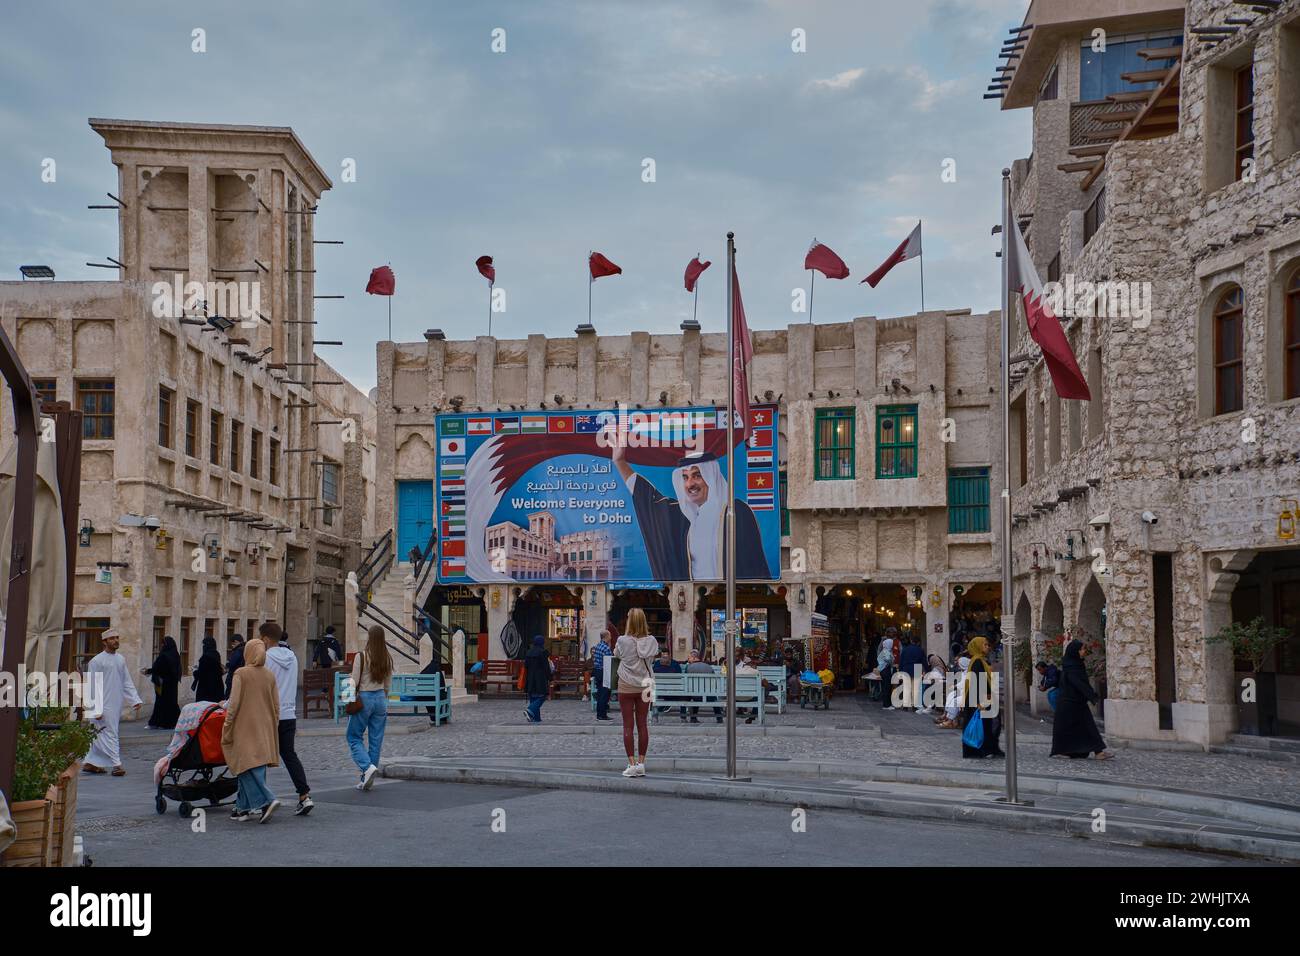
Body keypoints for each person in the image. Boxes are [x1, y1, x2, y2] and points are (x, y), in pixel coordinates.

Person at [611, 443, 772, 581]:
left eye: (696, 475)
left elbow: (754, 565)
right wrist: (619, 462)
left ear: (711, 477)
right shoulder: (685, 519)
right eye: (685, 477)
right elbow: (647, 498)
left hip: (733, 602)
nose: (690, 484)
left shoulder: (736, 513)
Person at [220, 637, 281, 822]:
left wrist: (227, 725)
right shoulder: (269, 675)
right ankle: (242, 808)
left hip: (244, 727)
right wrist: (273, 723)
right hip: (265, 726)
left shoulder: (241, 674)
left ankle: (266, 801)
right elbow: (276, 705)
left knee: (244, 766)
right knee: (257, 765)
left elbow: (234, 704)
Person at [262, 622, 313, 816]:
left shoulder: (266, 658)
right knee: (290, 755)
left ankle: (262, 799)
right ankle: (304, 795)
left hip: (270, 713)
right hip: (289, 713)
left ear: (266, 639)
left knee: (259, 758)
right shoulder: (292, 657)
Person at [83, 629, 143, 776]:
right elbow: (92, 685)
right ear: (104, 642)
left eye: (117, 637)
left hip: (115, 703)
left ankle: (90, 763)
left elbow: (126, 681)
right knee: (110, 733)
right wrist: (95, 709)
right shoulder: (96, 661)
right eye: (112, 638)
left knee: (98, 734)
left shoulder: (120, 659)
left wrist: (134, 699)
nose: (115, 640)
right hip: (100, 704)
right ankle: (117, 765)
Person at [347, 625, 393, 790]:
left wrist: (348, 701)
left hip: (365, 697)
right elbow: (388, 684)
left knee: (353, 736)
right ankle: (367, 777)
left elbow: (353, 681)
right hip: (380, 697)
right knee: (376, 740)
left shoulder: (361, 656)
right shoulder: (387, 657)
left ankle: (367, 767)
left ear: (369, 637)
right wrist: (383, 698)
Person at [614, 608, 659, 777]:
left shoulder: (622, 640)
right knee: (643, 725)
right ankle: (642, 763)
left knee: (627, 725)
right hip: (646, 684)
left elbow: (616, 654)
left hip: (626, 684)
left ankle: (631, 764)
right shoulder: (652, 640)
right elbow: (651, 658)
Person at [1050, 640, 1113, 759]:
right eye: (1082, 649)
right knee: (1086, 727)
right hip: (1071, 703)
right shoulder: (1073, 667)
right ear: (1076, 651)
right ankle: (1098, 752)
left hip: (1074, 702)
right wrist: (1091, 695)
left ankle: (1082, 751)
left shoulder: (1073, 664)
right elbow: (1079, 683)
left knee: (1084, 727)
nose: (1084, 652)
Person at [960, 636, 1004, 759]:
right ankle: (979, 750)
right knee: (981, 725)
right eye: (985, 645)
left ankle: (991, 748)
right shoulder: (977, 661)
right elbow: (977, 681)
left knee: (991, 724)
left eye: (987, 645)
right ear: (978, 646)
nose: (988, 647)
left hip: (985, 697)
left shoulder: (982, 660)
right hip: (979, 699)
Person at [143, 636, 181, 730]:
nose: (162, 645)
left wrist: (147, 671)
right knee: (172, 703)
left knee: (161, 703)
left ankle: (158, 723)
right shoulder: (175, 654)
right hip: (172, 684)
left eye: (163, 644)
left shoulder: (164, 656)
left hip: (163, 684)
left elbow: (158, 668)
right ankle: (174, 722)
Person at [684, 649, 722, 724]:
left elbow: (685, 682)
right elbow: (713, 681)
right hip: (708, 695)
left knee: (692, 695)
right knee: (714, 698)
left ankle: (692, 718)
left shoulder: (688, 668)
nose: (688, 660)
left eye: (689, 658)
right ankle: (719, 718)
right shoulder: (709, 667)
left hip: (694, 695)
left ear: (694, 658)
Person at [522, 635, 551, 723]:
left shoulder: (528, 652)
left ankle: (536, 718)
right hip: (540, 678)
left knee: (533, 697)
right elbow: (546, 667)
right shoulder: (542, 652)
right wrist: (550, 677)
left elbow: (526, 666)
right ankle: (530, 710)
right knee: (542, 696)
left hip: (530, 678)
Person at [937, 656, 970, 729]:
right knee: (950, 695)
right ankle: (947, 716)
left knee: (955, 701)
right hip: (963, 692)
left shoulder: (969, 672)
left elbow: (964, 684)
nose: (958, 665)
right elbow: (962, 683)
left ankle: (950, 720)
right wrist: (955, 686)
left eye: (959, 664)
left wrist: (955, 686)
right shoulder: (963, 672)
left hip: (968, 694)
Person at [652, 649, 684, 723]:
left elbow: (652, 675)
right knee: (683, 697)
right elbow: (680, 675)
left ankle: (656, 714)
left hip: (659, 691)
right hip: (675, 690)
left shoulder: (657, 663)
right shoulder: (675, 663)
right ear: (669, 655)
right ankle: (683, 717)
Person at [898, 636, 927, 713]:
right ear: (918, 642)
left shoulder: (905, 649)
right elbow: (924, 661)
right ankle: (914, 705)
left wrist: (900, 671)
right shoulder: (920, 650)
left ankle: (905, 705)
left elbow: (901, 661)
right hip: (917, 668)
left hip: (906, 669)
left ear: (911, 641)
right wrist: (927, 671)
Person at [192, 636, 225, 703]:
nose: (203, 646)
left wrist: (194, 671)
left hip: (206, 688)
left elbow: (201, 673)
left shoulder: (205, 657)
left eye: (204, 644)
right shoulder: (216, 654)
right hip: (217, 686)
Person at [591, 630, 613, 721]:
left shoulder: (597, 646)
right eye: (610, 636)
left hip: (597, 671)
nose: (611, 637)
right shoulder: (606, 648)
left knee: (600, 693)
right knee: (605, 693)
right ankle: (602, 715)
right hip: (604, 671)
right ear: (606, 636)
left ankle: (599, 714)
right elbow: (609, 661)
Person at [224, 634, 246, 699]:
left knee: (230, 697)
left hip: (233, 677)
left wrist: (227, 664)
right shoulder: (246, 648)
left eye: (233, 644)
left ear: (236, 641)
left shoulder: (238, 650)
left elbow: (232, 664)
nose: (232, 645)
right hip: (242, 677)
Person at [877, 637, 896, 710]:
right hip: (885, 670)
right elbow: (888, 659)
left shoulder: (886, 650)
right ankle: (886, 705)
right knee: (886, 687)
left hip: (885, 670)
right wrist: (891, 662)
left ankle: (887, 704)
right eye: (891, 644)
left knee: (887, 687)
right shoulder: (886, 651)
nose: (892, 645)